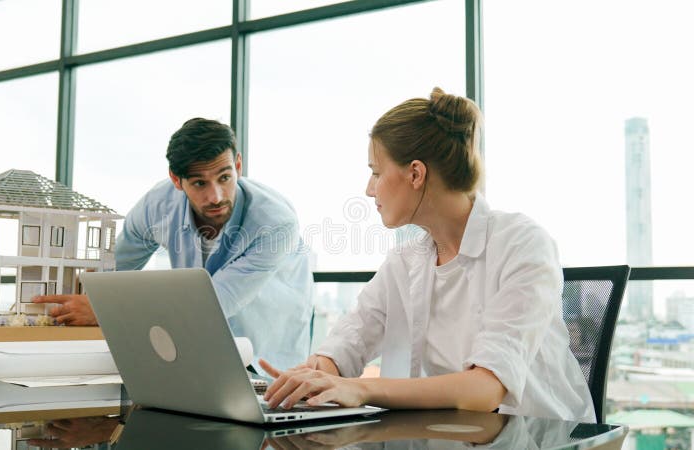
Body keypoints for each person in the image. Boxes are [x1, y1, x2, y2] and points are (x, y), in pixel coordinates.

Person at [259, 88, 595, 422]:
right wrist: (320, 370)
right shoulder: (406, 260)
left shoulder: (522, 244)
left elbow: (484, 389)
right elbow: (353, 335)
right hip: (449, 437)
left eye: (376, 172)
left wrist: (360, 388)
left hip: (539, 436)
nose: (369, 189)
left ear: (416, 174)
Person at [34, 118, 313, 370]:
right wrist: (61, 301)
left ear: (238, 166)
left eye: (224, 178)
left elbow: (212, 306)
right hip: (194, 346)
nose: (216, 196)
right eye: (200, 183)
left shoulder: (275, 223)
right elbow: (111, 271)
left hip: (265, 355)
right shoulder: (158, 206)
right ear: (176, 180)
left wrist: (106, 311)